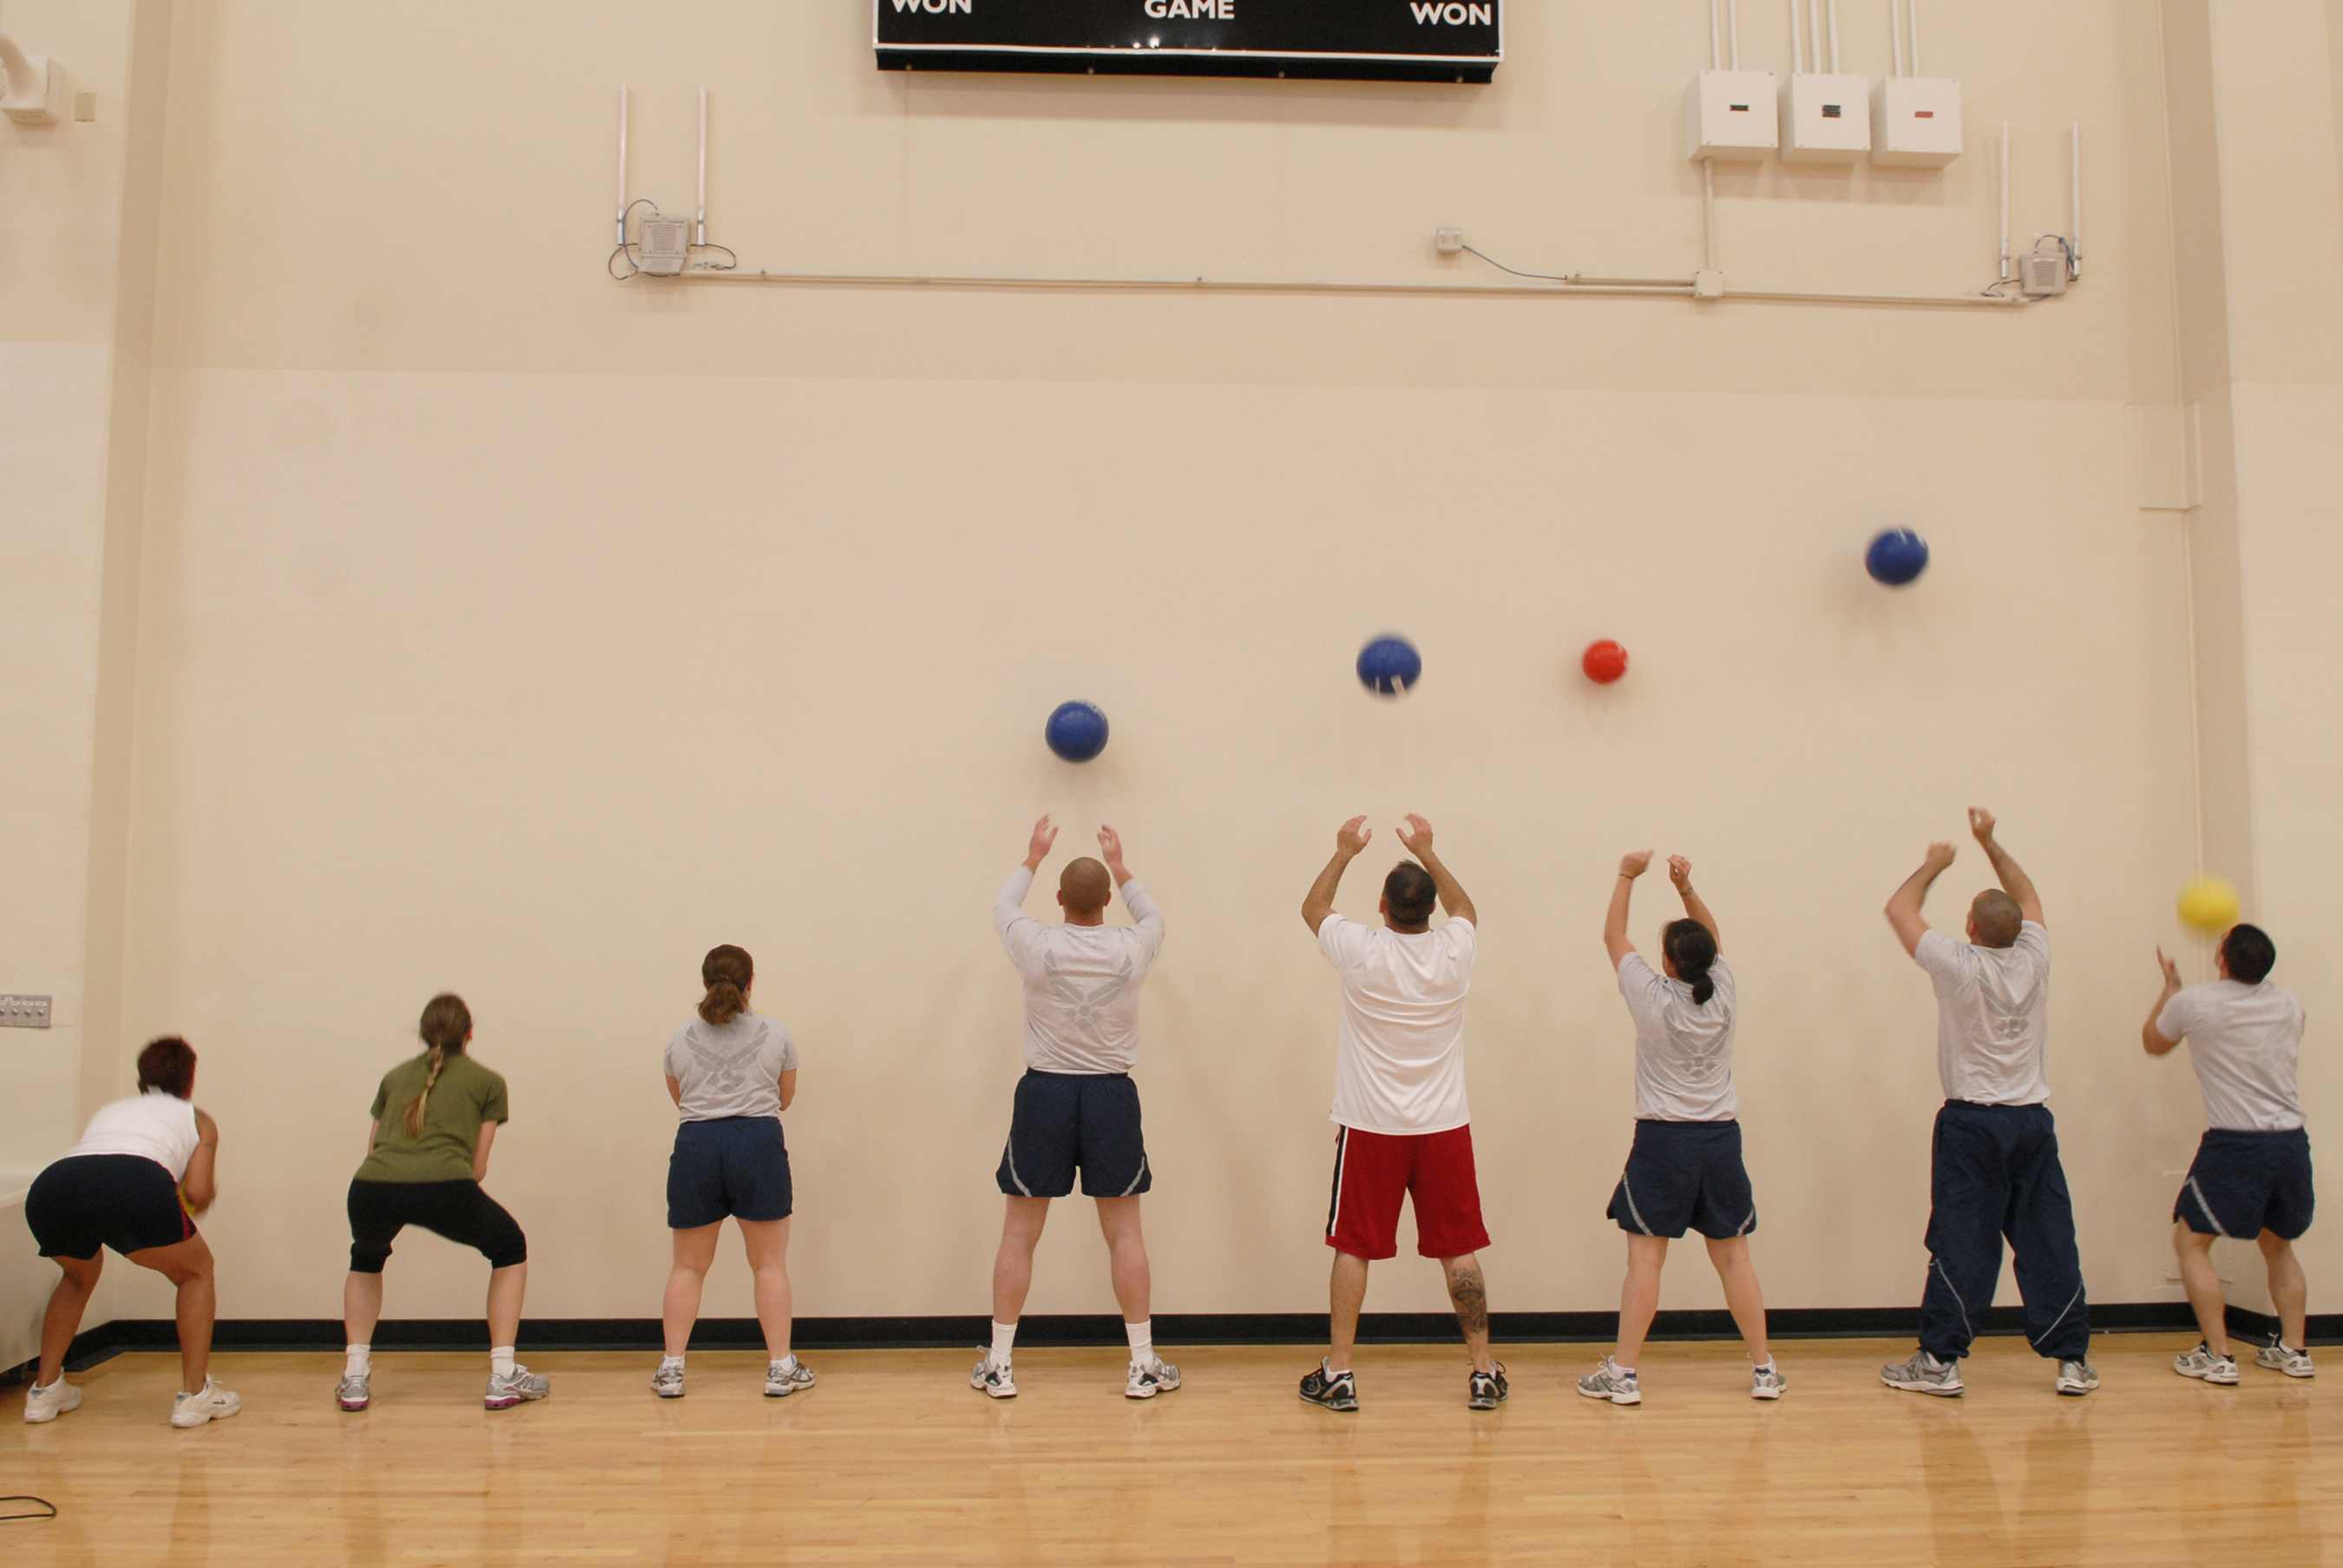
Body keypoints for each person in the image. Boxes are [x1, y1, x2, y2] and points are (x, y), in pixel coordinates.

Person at [1880, 809, 2096, 1398]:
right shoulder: (2036, 956)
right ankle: (2072, 1361)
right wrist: (1990, 842)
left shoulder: (1957, 964)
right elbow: (2028, 895)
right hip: (2032, 1123)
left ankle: (1939, 1361)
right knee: (2049, 1238)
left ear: (1970, 926)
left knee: (1962, 1240)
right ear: (2019, 931)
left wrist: (1935, 863)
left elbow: (1900, 908)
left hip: (1973, 1124)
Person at [1299, 814, 1504, 1413]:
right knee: (1459, 1247)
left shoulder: (1362, 949)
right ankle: (1483, 1372)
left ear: (1383, 907)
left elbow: (1313, 907)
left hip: (1372, 1127)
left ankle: (1340, 1373)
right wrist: (1429, 852)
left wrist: (1344, 852)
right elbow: (1467, 907)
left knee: (1354, 1246)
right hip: (1443, 1127)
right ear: (1430, 909)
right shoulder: (1455, 949)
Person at [975, 816, 1176, 1401]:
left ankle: (1000, 1365)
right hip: (1111, 1096)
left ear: (1059, 900)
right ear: (1108, 900)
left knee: (1019, 1233)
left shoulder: (1036, 943)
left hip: (1046, 1095)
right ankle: (1142, 1365)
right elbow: (1152, 913)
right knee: (1125, 1233)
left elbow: (1003, 903)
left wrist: (1033, 855)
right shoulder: (1135, 944)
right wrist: (1120, 864)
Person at [1578, 852, 1782, 1407]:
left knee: (1646, 1260)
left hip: (1664, 1142)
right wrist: (1686, 887)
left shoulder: (1651, 996)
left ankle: (1623, 1376)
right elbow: (1712, 939)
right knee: (1735, 1259)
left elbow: (1613, 934)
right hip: (1720, 1141)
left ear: (1666, 963)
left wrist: (1626, 875)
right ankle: (1764, 1370)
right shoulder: (1724, 987)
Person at [338, 994, 548, 1413]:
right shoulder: (488, 1082)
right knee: (509, 1247)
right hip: (444, 1185)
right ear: (469, 1033)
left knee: (366, 1258)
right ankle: (503, 1374)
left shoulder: (394, 1077)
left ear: (422, 1033)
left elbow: (373, 1148)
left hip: (369, 1187)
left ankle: (355, 1377)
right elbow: (477, 1168)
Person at [23, 1037, 238, 1428]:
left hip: (53, 1187)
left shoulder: (112, 1109)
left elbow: (98, 1166)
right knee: (196, 1272)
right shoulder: (198, 1118)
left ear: (141, 1080)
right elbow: (197, 1193)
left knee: (77, 1275)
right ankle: (195, 1397)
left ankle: (45, 1390)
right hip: (134, 1181)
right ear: (190, 1081)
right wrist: (201, 1194)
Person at [2144, 922, 2315, 1382]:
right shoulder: (2289, 1003)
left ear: (2221, 959)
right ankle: (2295, 1351)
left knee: (2190, 1242)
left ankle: (2218, 1356)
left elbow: (2154, 1043)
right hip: (2290, 1143)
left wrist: (2171, 988)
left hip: (2237, 1144)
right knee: (2278, 1245)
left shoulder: (2195, 1002)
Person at [654, 945, 813, 1400]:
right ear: (750, 984)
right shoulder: (776, 1033)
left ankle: (671, 1370)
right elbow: (784, 1099)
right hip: (756, 1144)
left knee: (687, 1266)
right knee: (769, 1265)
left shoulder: (679, 1038)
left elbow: (681, 1098)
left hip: (697, 1146)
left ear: (705, 983)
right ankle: (780, 1368)